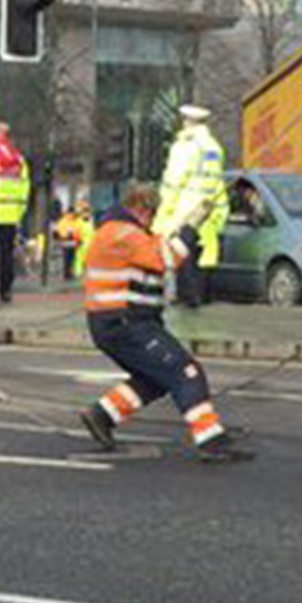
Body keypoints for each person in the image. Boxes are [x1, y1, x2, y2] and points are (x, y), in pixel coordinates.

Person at [77, 181, 249, 463]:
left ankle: (102, 415)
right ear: (140, 208)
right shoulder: (123, 233)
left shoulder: (122, 232)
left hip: (118, 324)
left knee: (156, 378)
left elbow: (161, 247)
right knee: (185, 372)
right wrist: (192, 227)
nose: (154, 219)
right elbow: (165, 258)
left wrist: (184, 229)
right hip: (126, 323)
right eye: (152, 212)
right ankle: (211, 440)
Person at [155, 104, 227, 308]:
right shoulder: (213, 147)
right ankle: (197, 297)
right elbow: (215, 180)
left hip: (183, 209)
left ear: (186, 121)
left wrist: (164, 211)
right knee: (199, 256)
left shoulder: (185, 146)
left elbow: (174, 180)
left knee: (179, 254)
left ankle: (186, 297)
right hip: (205, 210)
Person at [0, 121, 31, 302]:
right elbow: (25, 186)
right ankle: (5, 289)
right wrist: (20, 210)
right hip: (10, 212)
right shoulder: (19, 159)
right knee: (6, 254)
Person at [51, 200, 92, 280]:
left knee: (70, 259)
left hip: (72, 242)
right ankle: (68, 274)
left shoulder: (69, 220)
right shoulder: (72, 221)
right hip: (70, 243)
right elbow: (61, 232)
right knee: (70, 259)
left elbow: (77, 231)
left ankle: (68, 274)